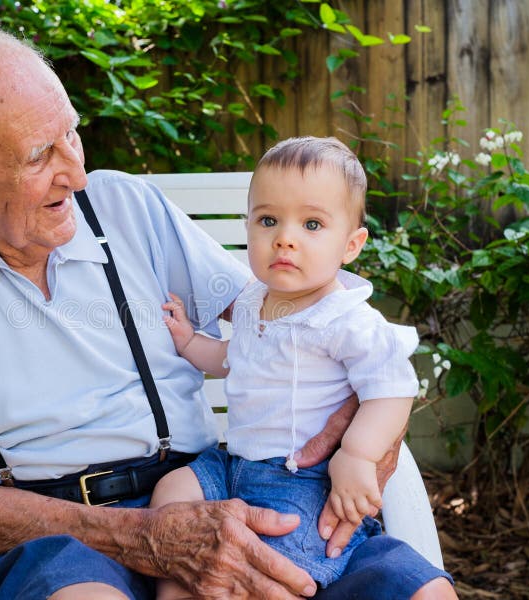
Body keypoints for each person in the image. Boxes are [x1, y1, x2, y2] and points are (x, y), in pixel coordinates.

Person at [0, 22, 440, 600]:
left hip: (216, 487)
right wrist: (148, 539)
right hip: (48, 537)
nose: (76, 171)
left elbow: (291, 312)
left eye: (71, 132)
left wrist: (369, 423)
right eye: (40, 154)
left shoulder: (123, 204)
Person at [151, 136, 456, 599]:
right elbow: (233, 360)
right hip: (232, 464)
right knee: (172, 496)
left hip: (300, 478)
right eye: (268, 220)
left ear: (351, 245)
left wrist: (356, 454)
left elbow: (392, 389)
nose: (284, 237)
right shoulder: (255, 302)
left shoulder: (347, 319)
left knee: (276, 562)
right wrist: (190, 341)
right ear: (248, 225)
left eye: (312, 223)